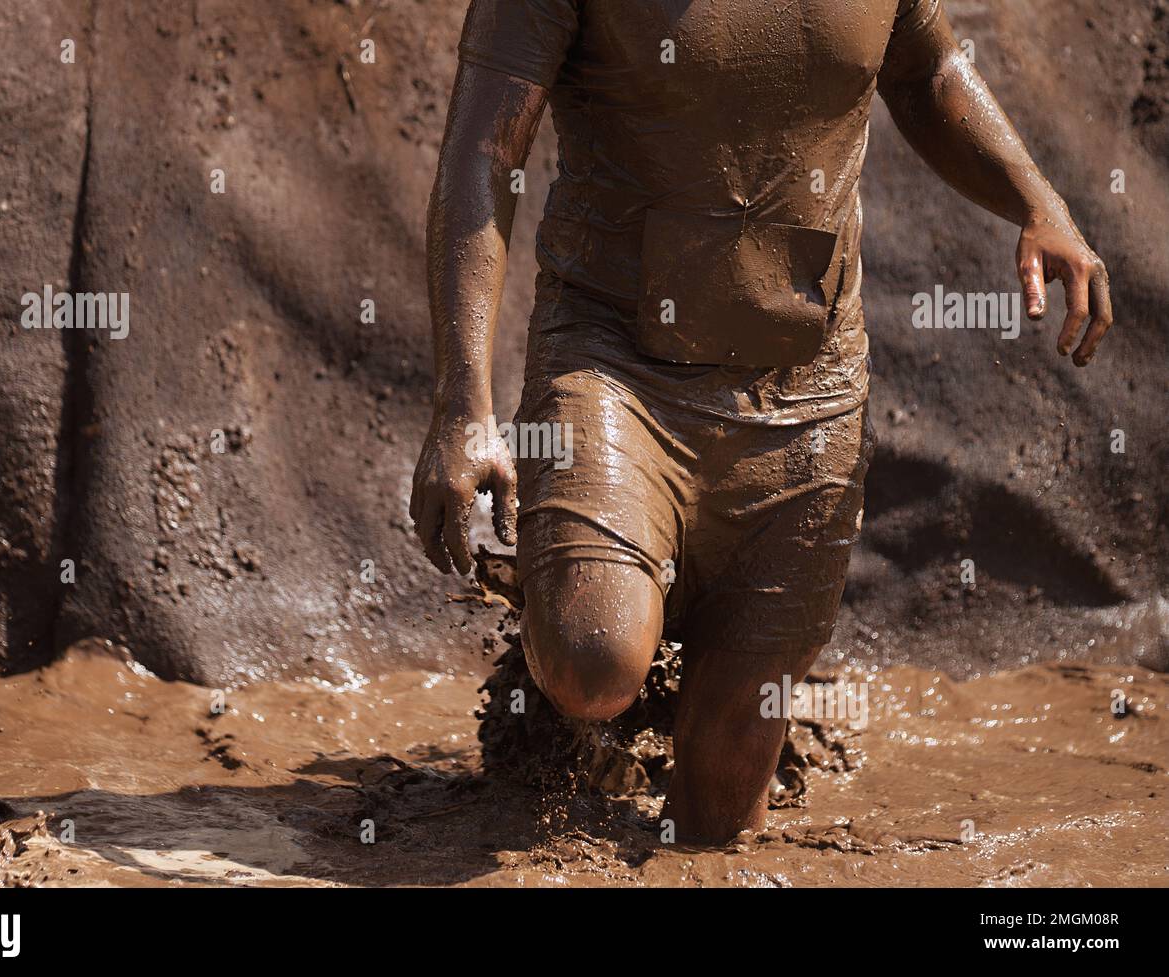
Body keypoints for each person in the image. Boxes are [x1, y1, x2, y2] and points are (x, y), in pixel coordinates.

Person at [410, 0, 1113, 844]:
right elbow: (484, 154)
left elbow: (930, 70)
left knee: (717, 829)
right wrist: (464, 405)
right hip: (616, 363)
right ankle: (564, 636)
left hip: (811, 392)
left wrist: (1039, 200)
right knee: (594, 656)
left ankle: (648, 620)